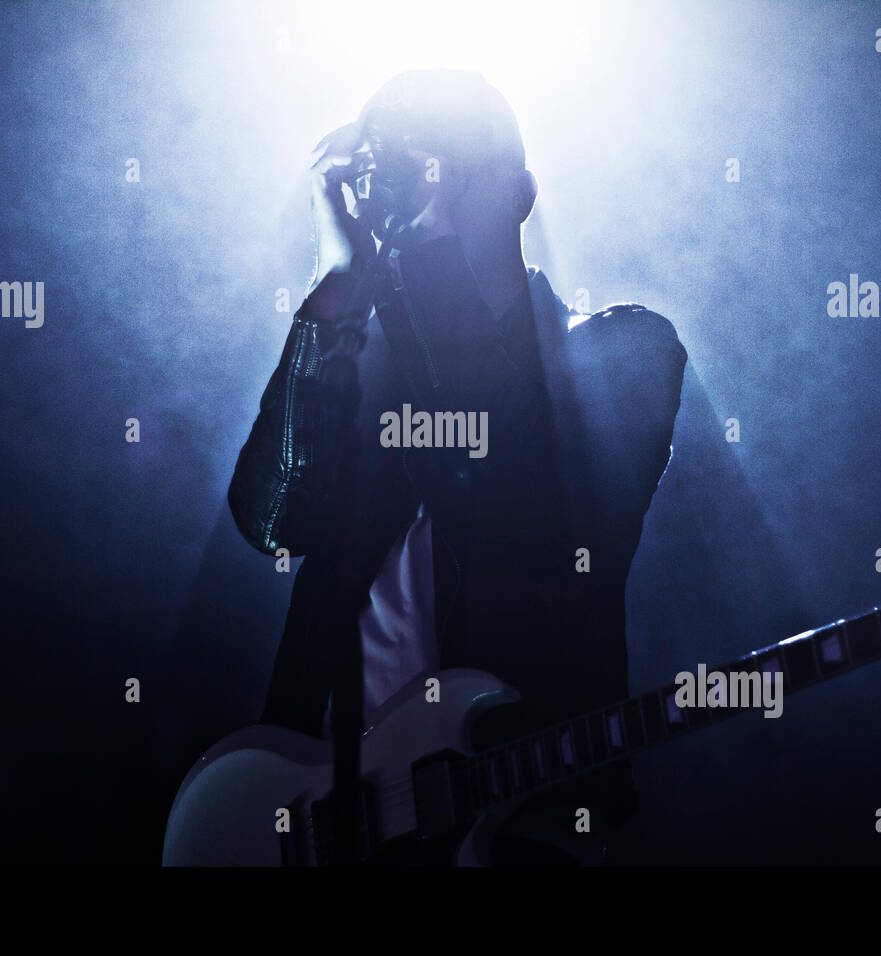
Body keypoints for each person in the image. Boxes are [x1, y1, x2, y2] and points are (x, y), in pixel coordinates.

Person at [228, 69, 687, 864]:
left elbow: (521, 521)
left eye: (450, 168)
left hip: (524, 827)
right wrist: (334, 292)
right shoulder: (368, 367)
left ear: (523, 194)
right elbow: (271, 522)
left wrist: (433, 260)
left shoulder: (621, 351)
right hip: (336, 822)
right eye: (405, 172)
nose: (421, 197)